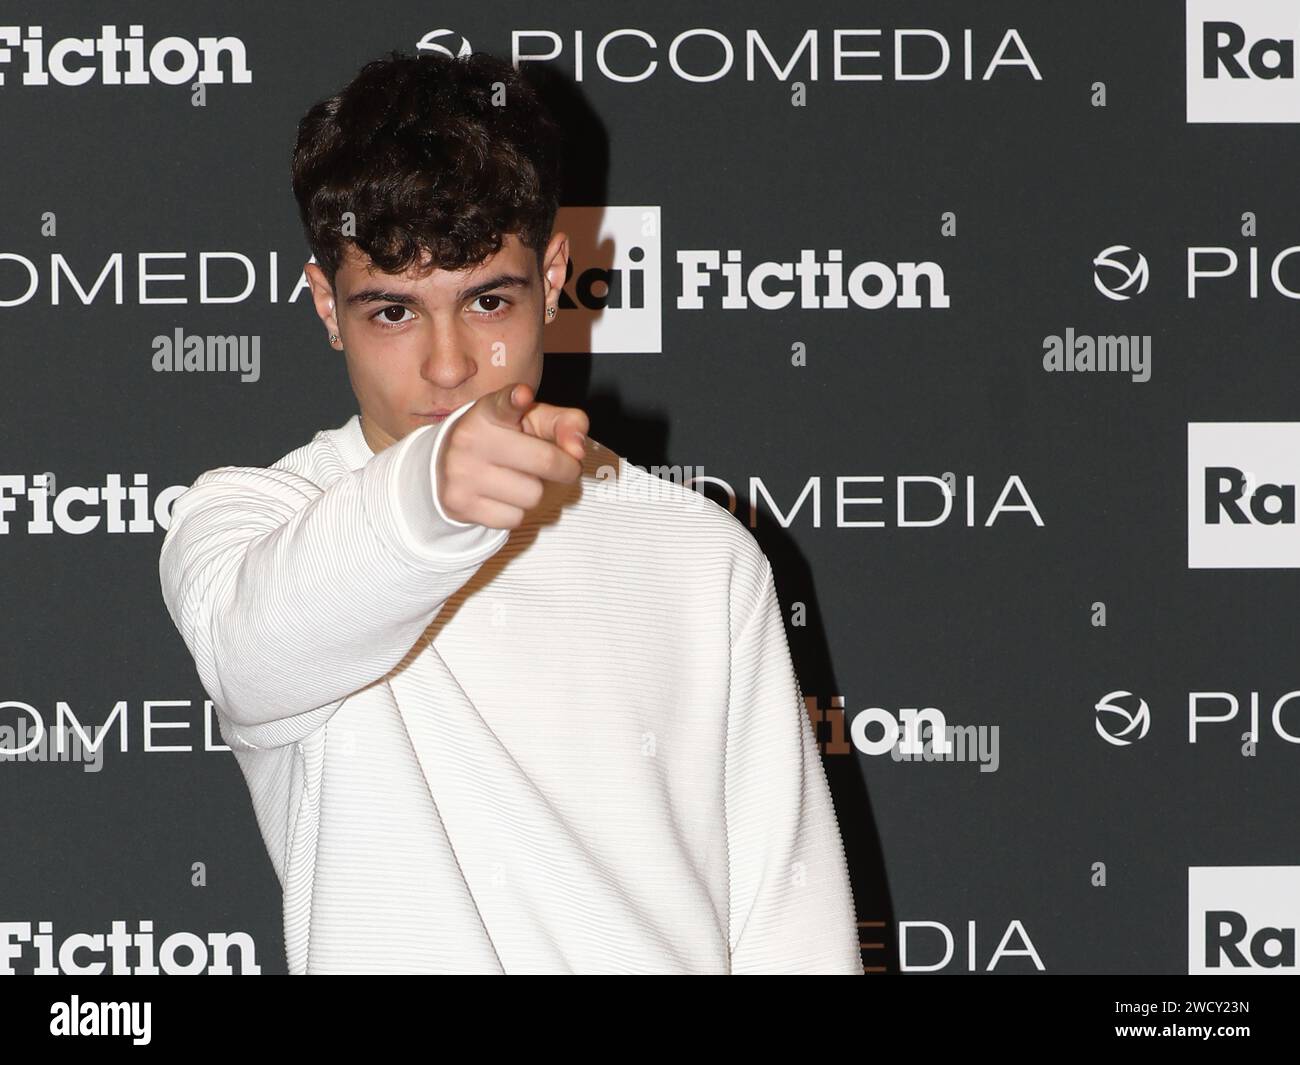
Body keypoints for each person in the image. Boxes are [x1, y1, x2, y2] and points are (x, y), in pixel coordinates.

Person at [158, 49, 862, 974]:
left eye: (487, 300)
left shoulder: (700, 552)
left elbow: (788, 919)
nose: (449, 366)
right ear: (326, 305)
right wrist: (432, 495)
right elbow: (255, 650)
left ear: (557, 274)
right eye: (393, 312)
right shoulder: (251, 520)